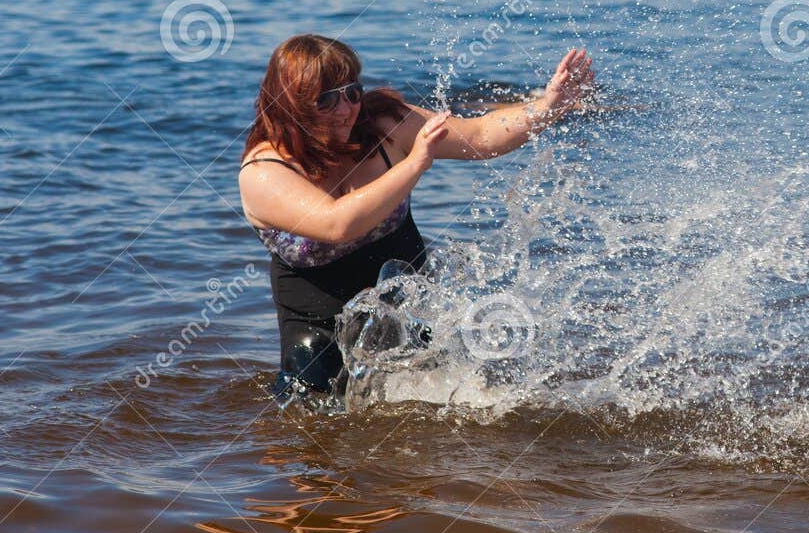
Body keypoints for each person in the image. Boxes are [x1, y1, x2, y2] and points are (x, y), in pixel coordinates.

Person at [238, 34, 594, 407]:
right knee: (307, 424)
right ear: (289, 105)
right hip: (317, 323)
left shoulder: (386, 124)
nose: (345, 110)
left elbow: (482, 136)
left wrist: (550, 105)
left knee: (443, 415)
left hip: (405, 306)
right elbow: (336, 224)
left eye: (352, 93)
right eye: (326, 100)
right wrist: (415, 163)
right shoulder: (265, 171)